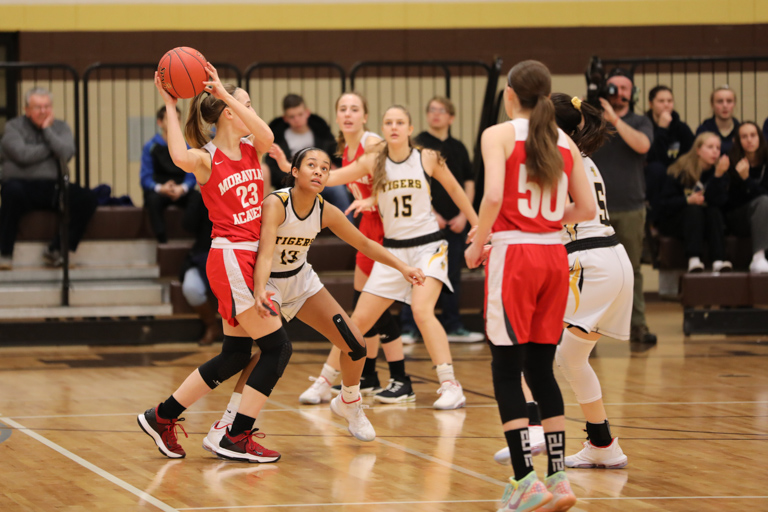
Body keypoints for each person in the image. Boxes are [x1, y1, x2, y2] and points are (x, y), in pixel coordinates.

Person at [201, 147, 425, 449]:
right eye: (311, 165)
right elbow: (265, 254)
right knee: (269, 352)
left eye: (325, 167)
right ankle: (228, 421)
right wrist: (259, 290)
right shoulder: (276, 203)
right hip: (270, 284)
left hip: (302, 282)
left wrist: (403, 267)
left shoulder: (325, 210)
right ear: (295, 171)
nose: (319, 171)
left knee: (356, 346)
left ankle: (349, 401)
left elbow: (364, 242)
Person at [138, 63, 288, 463]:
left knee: (236, 355)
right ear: (226, 114)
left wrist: (223, 91)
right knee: (277, 348)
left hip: (247, 258)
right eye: (246, 106)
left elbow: (268, 134)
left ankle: (162, 416)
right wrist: (170, 105)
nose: (251, 112)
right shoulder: (206, 159)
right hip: (231, 258)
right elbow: (175, 153)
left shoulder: (253, 147)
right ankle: (235, 436)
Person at [466, 61, 596, 512]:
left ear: (508, 95)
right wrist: (546, 223)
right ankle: (558, 479)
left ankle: (525, 480)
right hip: (554, 256)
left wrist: (478, 243)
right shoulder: (564, 141)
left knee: (506, 369)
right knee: (541, 369)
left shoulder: (498, 134)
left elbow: (495, 197)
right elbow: (587, 209)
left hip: (515, 255)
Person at [493, 93, 633, 471]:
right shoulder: (583, 158)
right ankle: (602, 443)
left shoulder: (557, 157)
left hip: (589, 261)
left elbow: (547, 214)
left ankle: (535, 425)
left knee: (529, 351)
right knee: (572, 358)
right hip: (614, 259)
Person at [271, 92, 411, 405]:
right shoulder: (345, 150)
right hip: (369, 228)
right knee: (367, 309)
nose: (348, 114)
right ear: (336, 116)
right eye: (343, 109)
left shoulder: (373, 144)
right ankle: (372, 376)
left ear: (365, 116)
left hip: (389, 231)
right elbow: (330, 178)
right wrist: (287, 165)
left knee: (360, 317)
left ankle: (335, 379)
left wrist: (372, 200)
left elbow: (400, 180)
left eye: (355, 109)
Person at [345, 104, 480, 410]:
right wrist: (295, 167)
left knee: (422, 310)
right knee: (359, 321)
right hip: (392, 252)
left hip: (428, 246)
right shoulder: (374, 161)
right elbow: (334, 177)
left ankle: (450, 384)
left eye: (400, 122)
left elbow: (457, 191)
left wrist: (477, 225)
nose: (394, 126)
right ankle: (345, 391)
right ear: (383, 128)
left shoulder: (427, 157)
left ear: (409, 128)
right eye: (388, 122)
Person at [399, 96, 485, 344]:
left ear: (451, 117)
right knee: (416, 273)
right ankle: (409, 327)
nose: (436, 114)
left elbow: (467, 183)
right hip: (425, 224)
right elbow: (413, 184)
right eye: (432, 110)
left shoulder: (458, 147)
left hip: (456, 224)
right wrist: (431, 214)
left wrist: (463, 216)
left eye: (441, 110)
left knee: (453, 275)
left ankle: (453, 325)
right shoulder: (419, 145)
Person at [591, 68, 656, 344]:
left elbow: (642, 146)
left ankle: (637, 326)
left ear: (633, 93)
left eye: (624, 88)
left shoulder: (640, 120)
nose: (619, 92)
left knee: (633, 270)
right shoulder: (592, 120)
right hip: (594, 209)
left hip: (630, 205)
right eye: (613, 87)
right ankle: (588, 329)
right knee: (592, 270)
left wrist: (614, 119)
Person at [0, 87, 98, 270]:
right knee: (11, 192)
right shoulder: (13, 127)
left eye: (47, 106)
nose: (43, 111)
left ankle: (56, 249)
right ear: (27, 110)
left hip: (53, 186)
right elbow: (21, 155)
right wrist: (52, 149)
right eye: (38, 107)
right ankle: (4, 253)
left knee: (87, 198)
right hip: (21, 186)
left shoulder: (60, 127)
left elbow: (67, 152)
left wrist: (47, 131)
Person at [262, 93, 351, 213]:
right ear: (285, 118)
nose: (297, 120)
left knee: (338, 189)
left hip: (321, 179)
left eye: (300, 114)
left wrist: (336, 168)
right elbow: (273, 167)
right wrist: (293, 177)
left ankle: (347, 229)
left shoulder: (321, 132)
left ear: (307, 113)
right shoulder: (278, 138)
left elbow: (336, 153)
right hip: (292, 182)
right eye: (292, 116)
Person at [657, 133, 730, 272]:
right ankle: (694, 259)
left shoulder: (720, 171)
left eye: (718, 148)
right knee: (694, 209)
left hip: (704, 222)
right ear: (698, 150)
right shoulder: (681, 169)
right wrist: (687, 200)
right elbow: (665, 203)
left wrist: (718, 176)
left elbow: (719, 202)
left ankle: (718, 260)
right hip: (677, 221)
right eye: (710, 147)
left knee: (714, 212)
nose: (715, 151)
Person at [140, 106, 199, 244]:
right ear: (160, 122)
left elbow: (192, 175)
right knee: (152, 200)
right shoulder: (151, 146)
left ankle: (191, 232)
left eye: (178, 119)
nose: (175, 122)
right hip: (160, 189)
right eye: (170, 118)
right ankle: (162, 240)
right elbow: (145, 177)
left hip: (180, 189)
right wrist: (161, 188)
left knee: (198, 199)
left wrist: (183, 188)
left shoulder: (187, 147)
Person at [644, 85, 695, 225]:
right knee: (657, 169)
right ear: (651, 104)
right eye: (661, 101)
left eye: (669, 100)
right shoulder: (645, 125)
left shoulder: (681, 127)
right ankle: (653, 220)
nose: (666, 104)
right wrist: (661, 130)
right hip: (652, 174)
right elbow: (653, 157)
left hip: (677, 172)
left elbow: (691, 152)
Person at [178, 190, 222, 346]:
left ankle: (245, 333)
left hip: (231, 258)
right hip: (202, 256)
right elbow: (187, 224)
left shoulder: (235, 196)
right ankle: (212, 326)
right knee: (191, 288)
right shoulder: (200, 196)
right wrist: (200, 197)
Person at [724, 122, 768, 273]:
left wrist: (747, 180)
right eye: (744, 136)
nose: (749, 140)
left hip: (764, 215)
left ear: (760, 138)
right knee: (763, 201)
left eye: (753, 135)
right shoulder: (731, 162)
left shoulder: (766, 162)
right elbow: (732, 202)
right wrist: (744, 180)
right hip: (739, 218)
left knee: (764, 201)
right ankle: (758, 257)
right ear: (737, 141)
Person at [696, 85, 740, 157]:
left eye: (729, 101)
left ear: (734, 104)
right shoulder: (703, 130)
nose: (725, 105)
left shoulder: (740, 130)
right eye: (720, 101)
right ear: (712, 104)